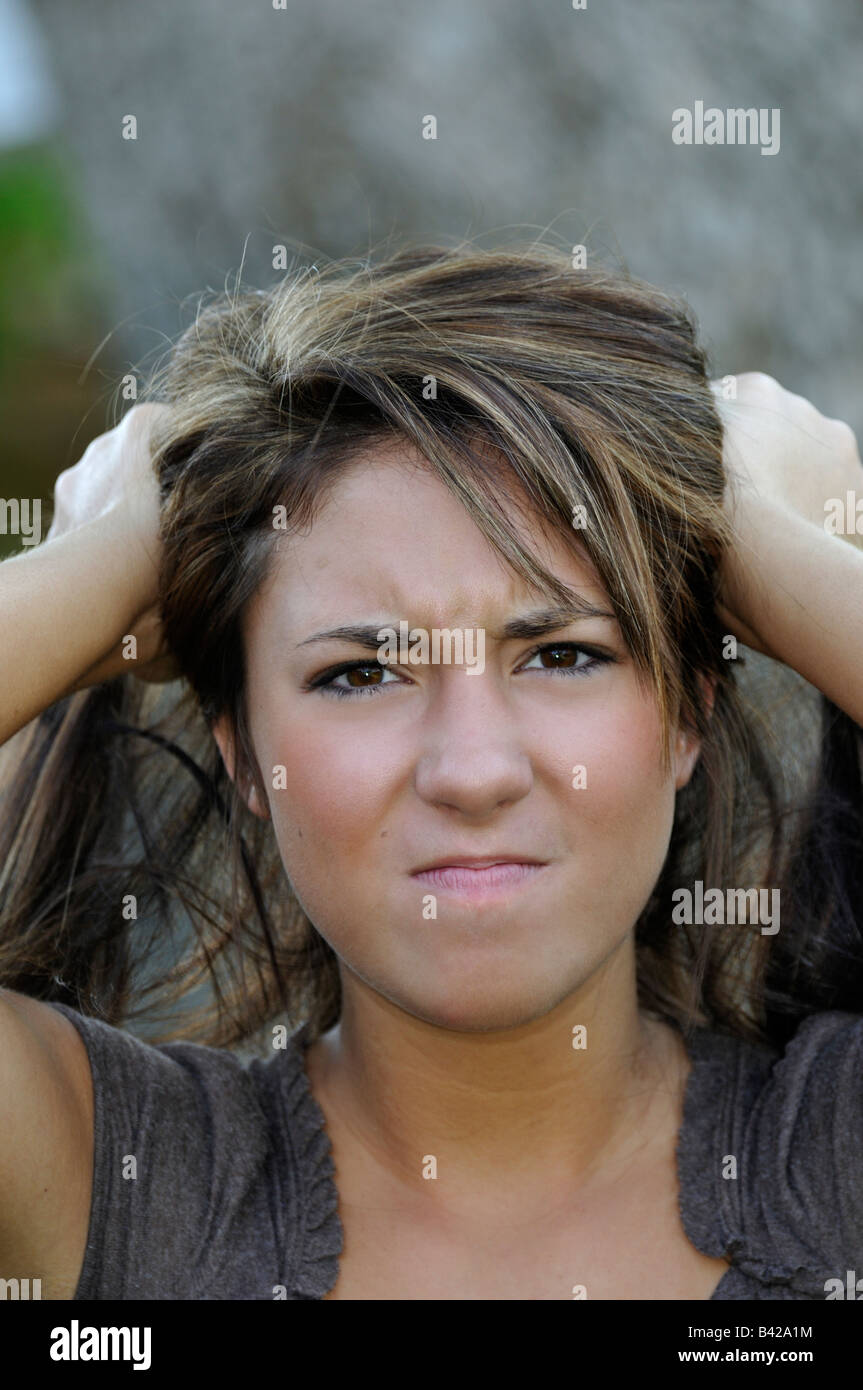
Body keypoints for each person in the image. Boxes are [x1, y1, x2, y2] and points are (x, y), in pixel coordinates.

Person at [0, 241, 861, 1301]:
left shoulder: (830, 1163)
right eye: (360, 673)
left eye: (561, 654)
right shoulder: (113, 1185)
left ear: (686, 713)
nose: (471, 769)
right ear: (243, 750)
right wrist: (113, 559)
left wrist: (770, 548)